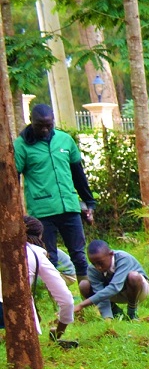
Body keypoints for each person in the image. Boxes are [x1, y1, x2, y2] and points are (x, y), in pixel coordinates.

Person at [13, 103, 95, 276]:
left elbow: (78, 174)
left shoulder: (65, 140)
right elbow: (13, 178)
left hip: (69, 206)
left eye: (48, 125)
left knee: (80, 257)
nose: (44, 130)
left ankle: (87, 299)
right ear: (31, 121)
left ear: (53, 121)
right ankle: (55, 301)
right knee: (48, 260)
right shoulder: (21, 145)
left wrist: (89, 203)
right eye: (39, 126)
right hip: (42, 212)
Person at [1, 216, 75, 346]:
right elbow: (66, 299)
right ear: (39, 236)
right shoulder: (35, 253)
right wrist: (59, 331)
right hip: (11, 313)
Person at [78, 239, 149, 320]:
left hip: (139, 291)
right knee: (84, 285)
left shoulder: (123, 258)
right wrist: (107, 318)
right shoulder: (92, 269)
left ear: (111, 254)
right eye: (94, 264)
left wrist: (82, 305)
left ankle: (132, 313)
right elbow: (100, 294)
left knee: (133, 276)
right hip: (114, 294)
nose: (98, 267)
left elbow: (115, 287)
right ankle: (116, 312)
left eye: (100, 263)